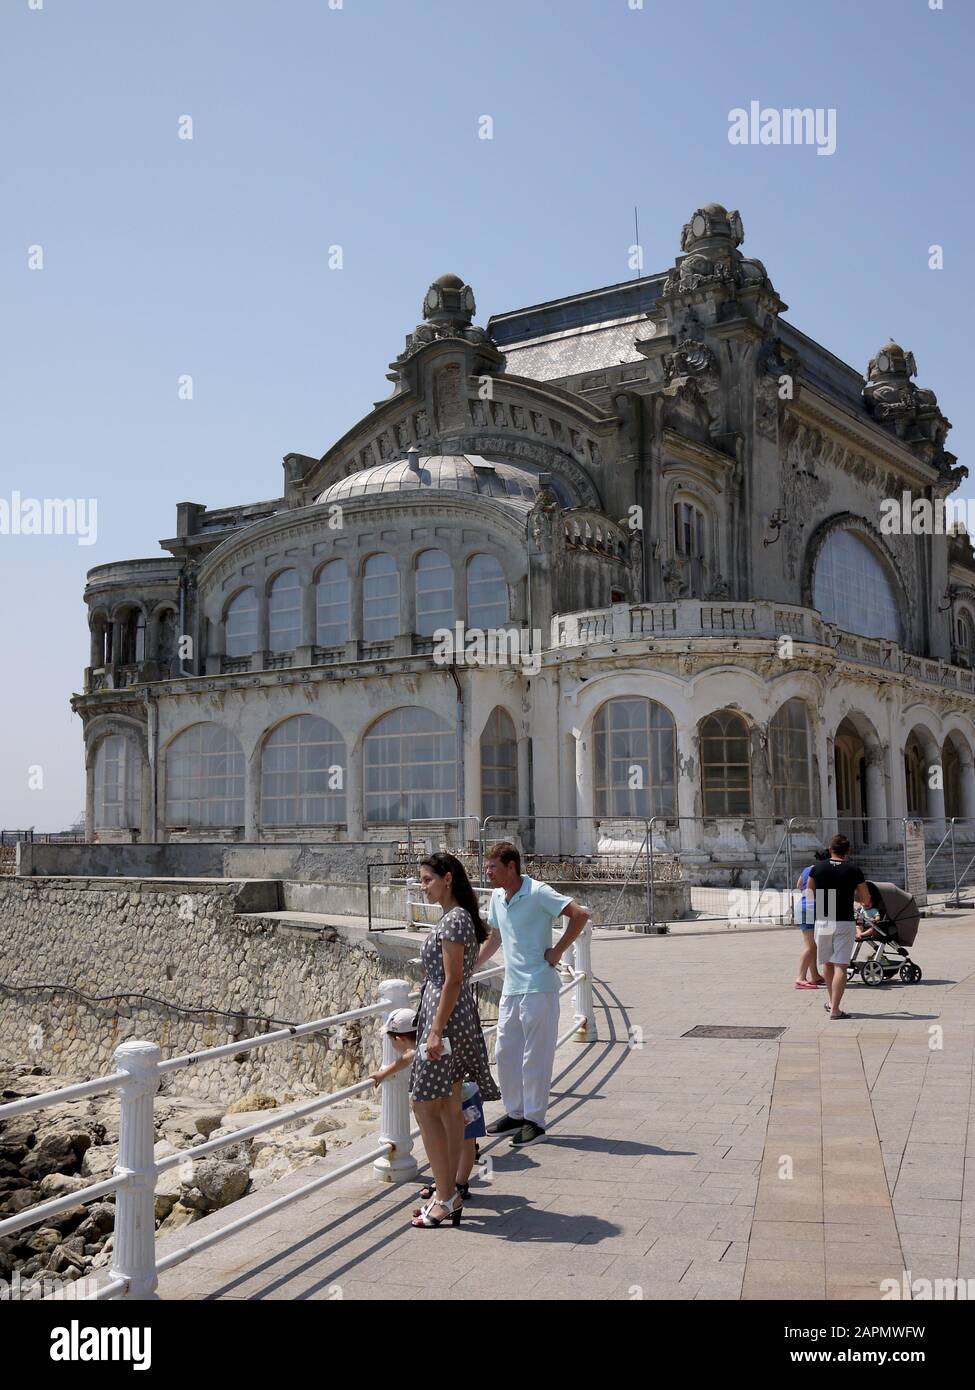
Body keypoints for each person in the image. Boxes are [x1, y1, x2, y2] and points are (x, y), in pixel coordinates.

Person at [408, 853, 500, 1229]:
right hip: (449, 1018)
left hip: (446, 1022)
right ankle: (447, 1193)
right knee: (445, 1106)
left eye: (428, 879)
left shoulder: (456, 919)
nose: (423, 886)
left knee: (423, 1105)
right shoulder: (457, 917)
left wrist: (434, 1030)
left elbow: (453, 979)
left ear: (447, 879)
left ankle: (447, 1194)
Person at [478, 841, 590, 1147]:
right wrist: (471, 966)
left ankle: (535, 1121)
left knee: (535, 1057)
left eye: (493, 867)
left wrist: (557, 952)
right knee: (505, 1052)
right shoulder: (498, 898)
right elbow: (495, 937)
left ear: (511, 866)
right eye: (487, 867)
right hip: (512, 988)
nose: (488, 873)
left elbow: (579, 915)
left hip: (539, 986)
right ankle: (515, 1113)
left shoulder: (539, 891)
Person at [371, 1010, 483, 1203]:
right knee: (466, 1143)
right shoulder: (433, 1044)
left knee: (453, 1143)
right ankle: (457, 1183)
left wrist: (384, 1073)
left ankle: (455, 1184)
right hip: (468, 1096)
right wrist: (384, 1073)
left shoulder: (421, 1051)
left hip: (456, 1101)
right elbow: (407, 1059)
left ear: (398, 1038)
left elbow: (406, 1059)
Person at [805, 833, 872, 1020]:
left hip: (825, 916)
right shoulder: (853, 869)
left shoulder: (817, 868)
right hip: (844, 918)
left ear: (830, 850)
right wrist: (864, 902)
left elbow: (809, 894)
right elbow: (865, 898)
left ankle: (830, 1001)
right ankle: (835, 1008)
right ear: (848, 851)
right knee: (841, 965)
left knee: (827, 962)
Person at [794, 849, 829, 989]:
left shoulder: (808, 869)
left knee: (813, 945)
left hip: (804, 906)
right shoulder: (824, 870)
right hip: (810, 908)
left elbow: (798, 885)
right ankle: (800, 978)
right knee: (811, 946)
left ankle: (814, 975)